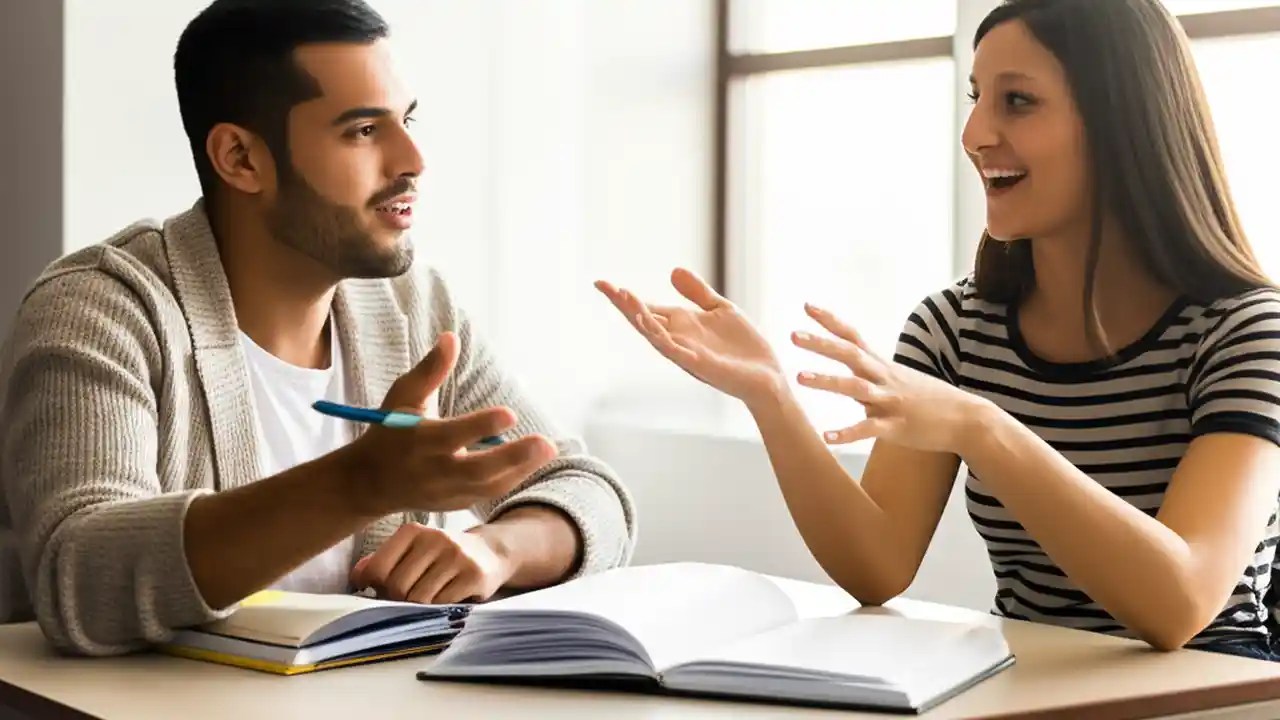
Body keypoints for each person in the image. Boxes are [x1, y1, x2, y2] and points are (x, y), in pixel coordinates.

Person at [598, 0, 1280, 659]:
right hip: (1032, 693)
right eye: (976, 97)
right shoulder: (955, 328)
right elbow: (879, 565)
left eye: (1017, 101)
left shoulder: (1245, 331)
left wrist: (981, 427)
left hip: (1214, 698)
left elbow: (1181, 603)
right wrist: (770, 396)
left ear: (1121, 122)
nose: (976, 134)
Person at [0, 0, 635, 656]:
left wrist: (493, 550)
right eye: (363, 130)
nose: (412, 158)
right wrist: (359, 484)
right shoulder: (102, 308)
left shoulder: (414, 308)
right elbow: (77, 578)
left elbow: (591, 493)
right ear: (241, 158)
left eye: (407, 120)